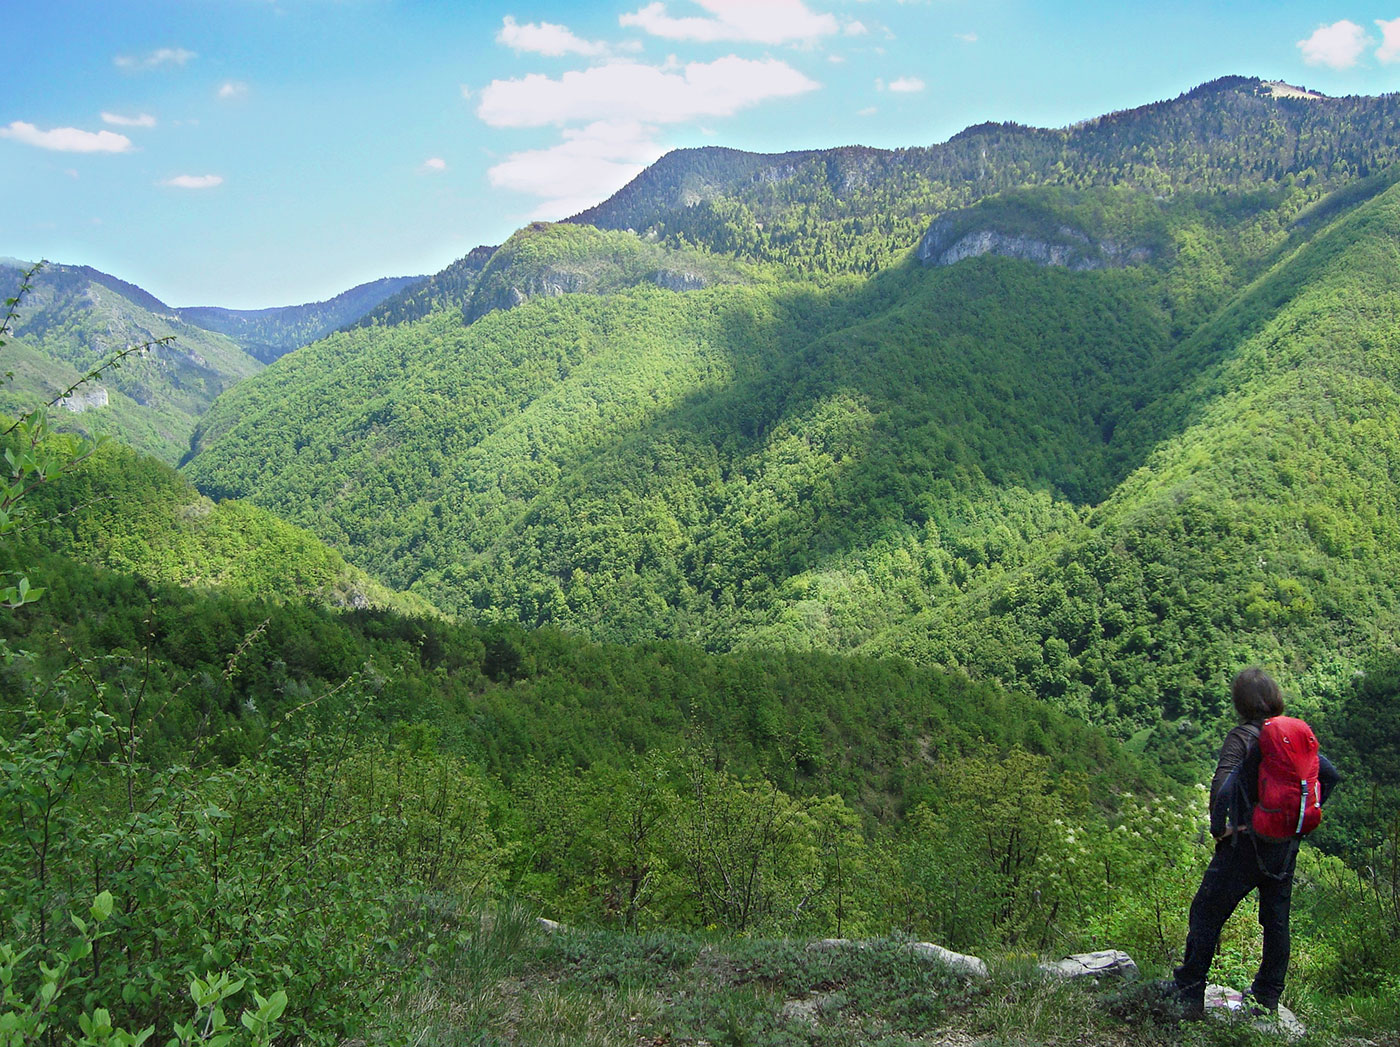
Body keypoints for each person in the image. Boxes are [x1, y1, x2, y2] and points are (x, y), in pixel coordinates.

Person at [1167, 667, 1339, 1018]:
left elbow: (1223, 785)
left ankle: (1188, 995)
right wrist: (1300, 823)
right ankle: (1266, 997)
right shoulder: (1291, 736)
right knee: (1275, 921)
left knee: (1206, 913)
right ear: (1275, 699)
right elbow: (1330, 774)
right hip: (1285, 849)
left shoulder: (1244, 737)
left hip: (1244, 846)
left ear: (1240, 703)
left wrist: (1222, 829)